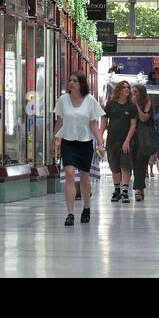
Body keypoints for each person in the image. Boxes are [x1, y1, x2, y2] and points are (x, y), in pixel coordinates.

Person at [53, 72, 105, 226]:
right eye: (70, 80)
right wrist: (55, 139)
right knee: (69, 174)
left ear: (81, 83)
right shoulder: (63, 100)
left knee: (84, 177)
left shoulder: (90, 101)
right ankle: (70, 213)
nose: (71, 83)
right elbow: (60, 121)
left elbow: (94, 124)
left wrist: (100, 142)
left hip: (85, 142)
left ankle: (86, 208)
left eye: (75, 81)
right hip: (68, 142)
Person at [102, 82, 138, 202]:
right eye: (124, 88)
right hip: (112, 141)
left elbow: (133, 126)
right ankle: (117, 190)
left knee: (125, 166)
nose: (127, 89)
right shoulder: (110, 105)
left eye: (128, 88)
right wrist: (100, 138)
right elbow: (104, 123)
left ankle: (125, 191)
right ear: (119, 90)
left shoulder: (132, 106)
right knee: (114, 167)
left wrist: (127, 141)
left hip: (126, 141)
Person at [131, 84, 157, 201]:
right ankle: (140, 188)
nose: (134, 94)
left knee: (141, 162)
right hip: (133, 136)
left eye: (136, 92)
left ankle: (137, 190)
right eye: (133, 92)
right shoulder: (129, 103)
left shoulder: (147, 102)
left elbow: (143, 118)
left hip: (144, 137)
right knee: (134, 163)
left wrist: (135, 104)